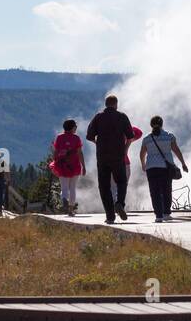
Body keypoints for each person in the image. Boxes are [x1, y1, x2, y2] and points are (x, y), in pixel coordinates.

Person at [84, 95, 133, 224]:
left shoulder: (98, 117)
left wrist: (97, 143)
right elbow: (130, 136)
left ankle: (110, 216)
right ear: (116, 104)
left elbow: (89, 136)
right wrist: (124, 149)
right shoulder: (122, 116)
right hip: (118, 156)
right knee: (121, 181)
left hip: (102, 156)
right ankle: (120, 203)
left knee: (104, 186)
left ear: (106, 104)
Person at [139, 115, 188, 223]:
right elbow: (176, 150)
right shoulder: (169, 136)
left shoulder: (147, 139)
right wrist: (183, 163)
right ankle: (166, 213)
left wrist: (143, 164)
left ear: (151, 125)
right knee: (166, 190)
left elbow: (142, 153)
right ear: (162, 124)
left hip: (151, 168)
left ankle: (158, 215)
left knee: (154, 191)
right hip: (166, 167)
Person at [50, 119, 85, 216]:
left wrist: (55, 163)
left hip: (62, 165)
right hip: (75, 166)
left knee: (64, 187)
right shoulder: (76, 138)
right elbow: (80, 153)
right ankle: (71, 209)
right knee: (73, 188)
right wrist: (84, 166)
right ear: (72, 127)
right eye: (75, 127)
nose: (76, 128)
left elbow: (56, 152)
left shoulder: (59, 137)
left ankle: (64, 199)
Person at [116, 124, 143, 207]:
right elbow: (139, 133)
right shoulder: (125, 135)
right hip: (124, 161)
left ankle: (112, 207)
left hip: (109, 161)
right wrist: (126, 125)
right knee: (123, 185)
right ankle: (120, 204)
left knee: (112, 186)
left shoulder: (108, 134)